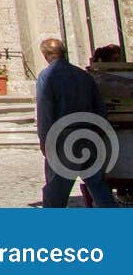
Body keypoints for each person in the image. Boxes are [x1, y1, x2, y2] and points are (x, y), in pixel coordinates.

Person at [36, 37, 118, 208]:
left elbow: (45, 111)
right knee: (98, 185)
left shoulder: (47, 76)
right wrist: (97, 132)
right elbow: (100, 107)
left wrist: (45, 141)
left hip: (63, 137)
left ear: (46, 55)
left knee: (56, 190)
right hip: (89, 134)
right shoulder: (83, 75)